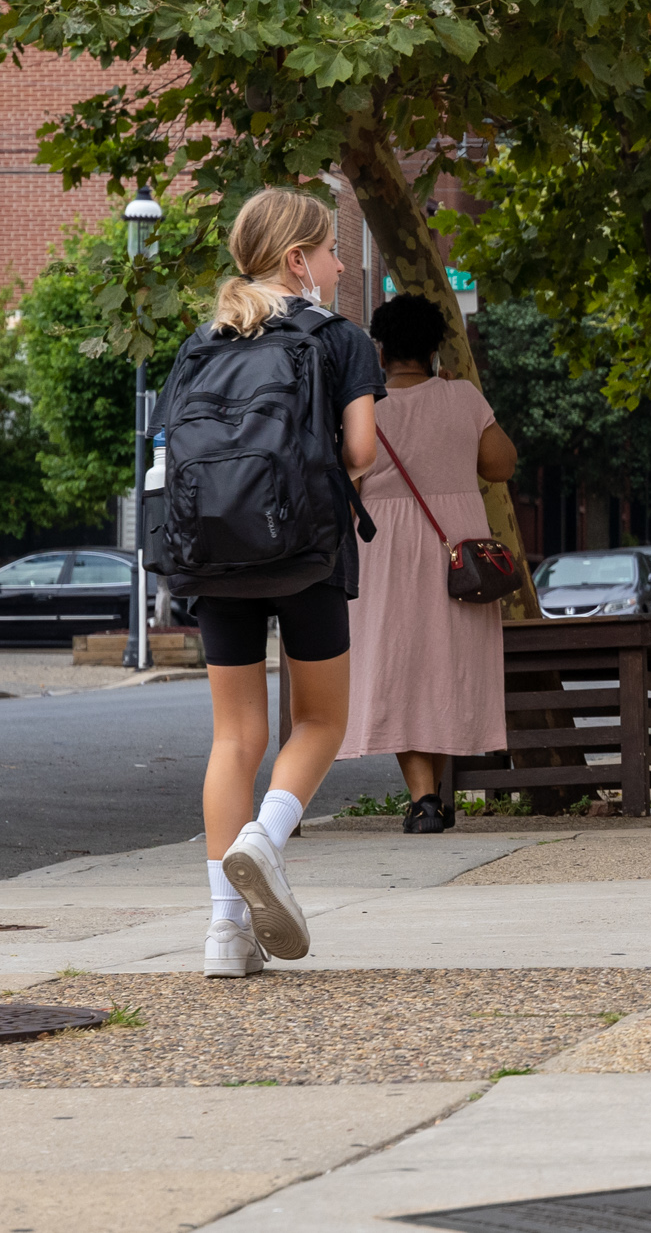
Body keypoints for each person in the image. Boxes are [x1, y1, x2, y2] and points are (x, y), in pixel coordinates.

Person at [163, 188, 382, 979]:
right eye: (328, 251)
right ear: (299, 261)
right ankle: (266, 838)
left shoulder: (201, 341)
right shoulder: (339, 337)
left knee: (234, 738)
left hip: (214, 553)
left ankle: (226, 932)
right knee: (321, 720)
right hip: (305, 551)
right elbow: (360, 454)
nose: (334, 264)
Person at [338, 294, 517, 833]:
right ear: (437, 347)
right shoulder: (462, 396)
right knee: (446, 665)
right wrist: (462, 403)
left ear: (381, 349)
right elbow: (501, 465)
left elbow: (349, 476)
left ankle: (426, 799)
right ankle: (428, 798)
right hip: (456, 547)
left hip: (382, 547)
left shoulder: (364, 406)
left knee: (401, 667)